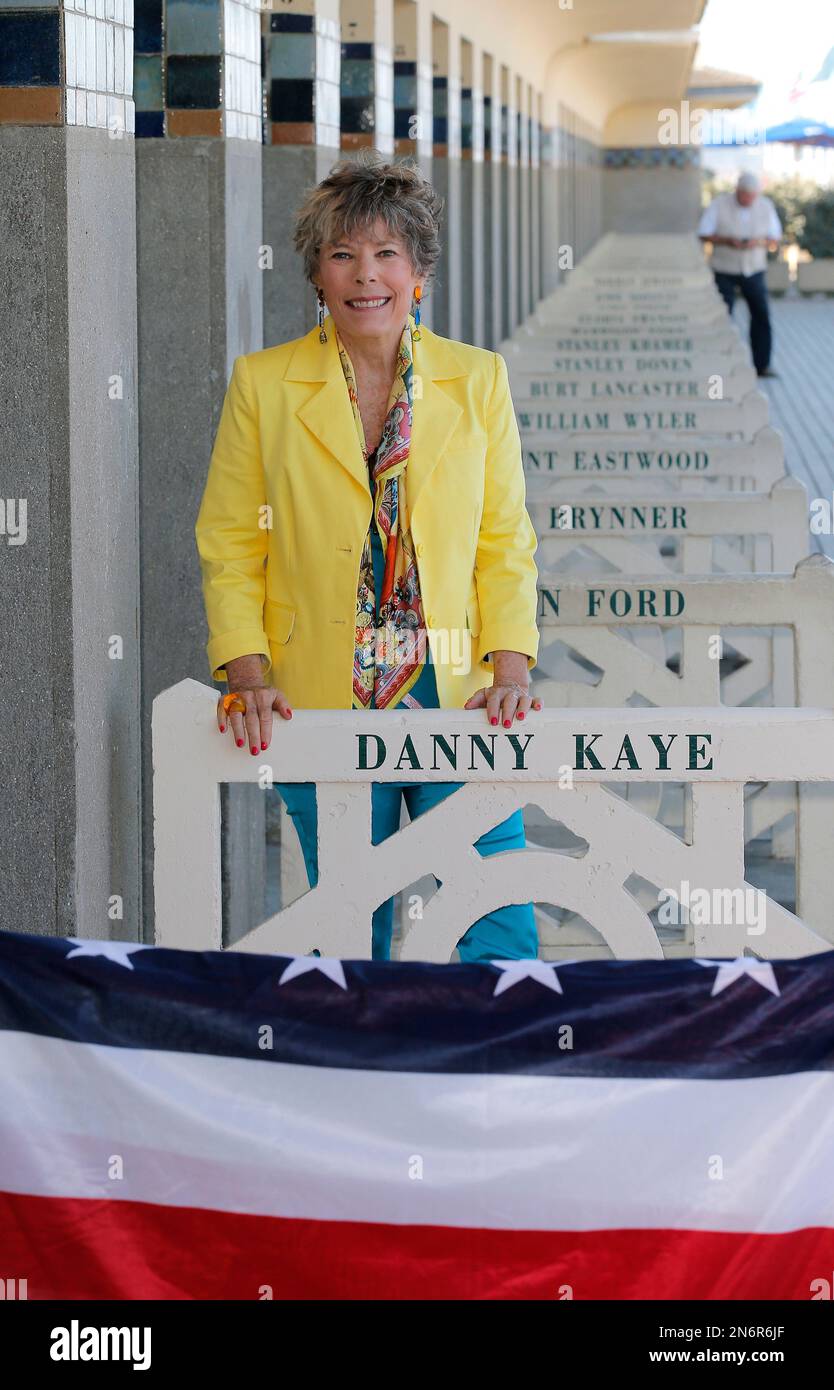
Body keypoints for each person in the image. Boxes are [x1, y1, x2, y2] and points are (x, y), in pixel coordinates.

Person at [195, 150, 543, 963]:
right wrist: (246, 673)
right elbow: (232, 540)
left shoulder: (478, 380)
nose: (366, 276)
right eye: (343, 254)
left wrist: (511, 667)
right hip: (322, 689)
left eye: (388, 253)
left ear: (419, 271)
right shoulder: (264, 384)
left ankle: (505, 1069)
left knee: (498, 914)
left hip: (457, 690)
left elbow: (504, 538)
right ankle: (358, 1081)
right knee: (352, 927)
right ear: (317, 274)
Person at [697, 171, 782, 378]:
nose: (748, 199)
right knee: (723, 316)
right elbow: (704, 233)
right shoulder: (719, 204)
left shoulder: (766, 206)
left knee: (761, 314)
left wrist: (757, 243)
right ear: (737, 191)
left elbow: (774, 238)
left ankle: (762, 364)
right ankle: (720, 364)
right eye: (745, 195)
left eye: (752, 196)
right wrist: (727, 241)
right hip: (724, 268)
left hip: (753, 268)